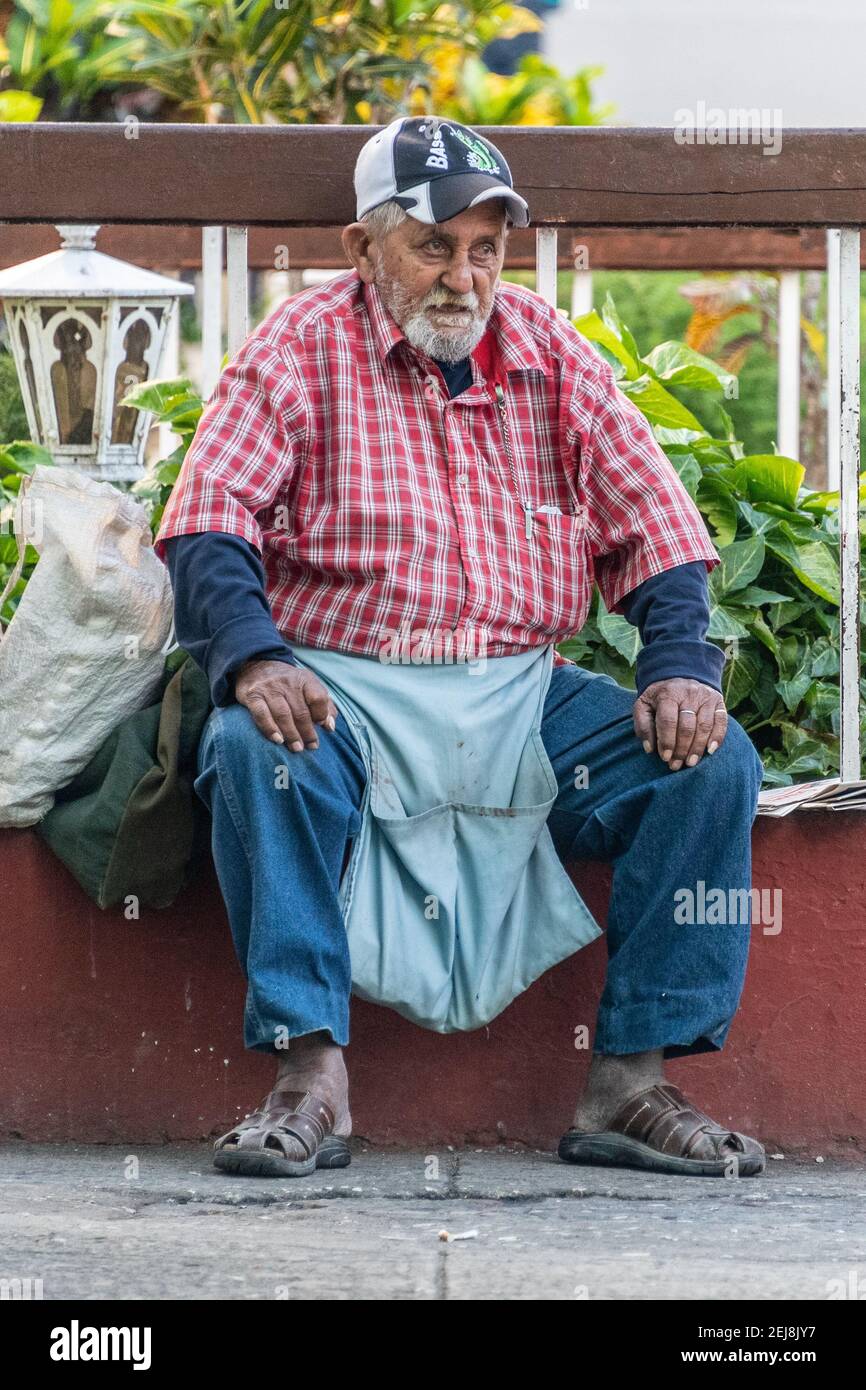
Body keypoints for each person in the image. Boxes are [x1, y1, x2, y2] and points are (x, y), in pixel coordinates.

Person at [155, 116, 766, 1181]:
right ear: (362, 249)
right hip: (341, 694)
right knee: (257, 749)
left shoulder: (546, 347)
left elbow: (653, 524)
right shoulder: (298, 346)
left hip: (517, 703)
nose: (462, 276)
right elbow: (210, 520)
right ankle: (311, 1075)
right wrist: (254, 658)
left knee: (709, 762)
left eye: (484, 248)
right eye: (433, 246)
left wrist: (675, 660)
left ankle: (627, 1082)